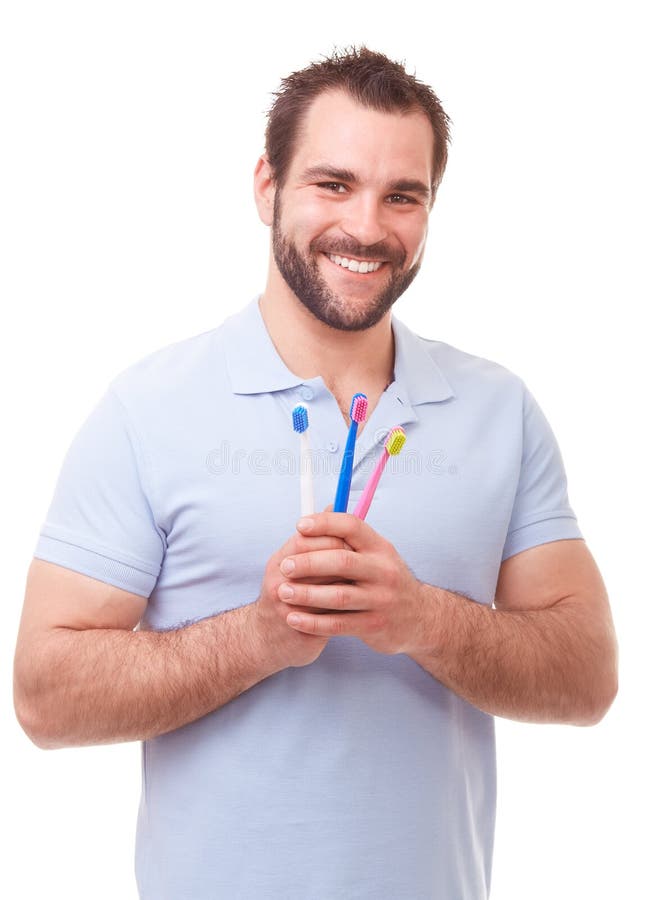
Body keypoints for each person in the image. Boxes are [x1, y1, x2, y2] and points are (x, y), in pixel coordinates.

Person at [14, 46, 618, 900]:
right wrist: (255, 637)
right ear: (267, 186)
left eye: (401, 195)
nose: (367, 228)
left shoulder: (499, 410)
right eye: (333, 184)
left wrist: (421, 618)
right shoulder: (147, 408)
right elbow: (44, 697)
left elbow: (587, 677)